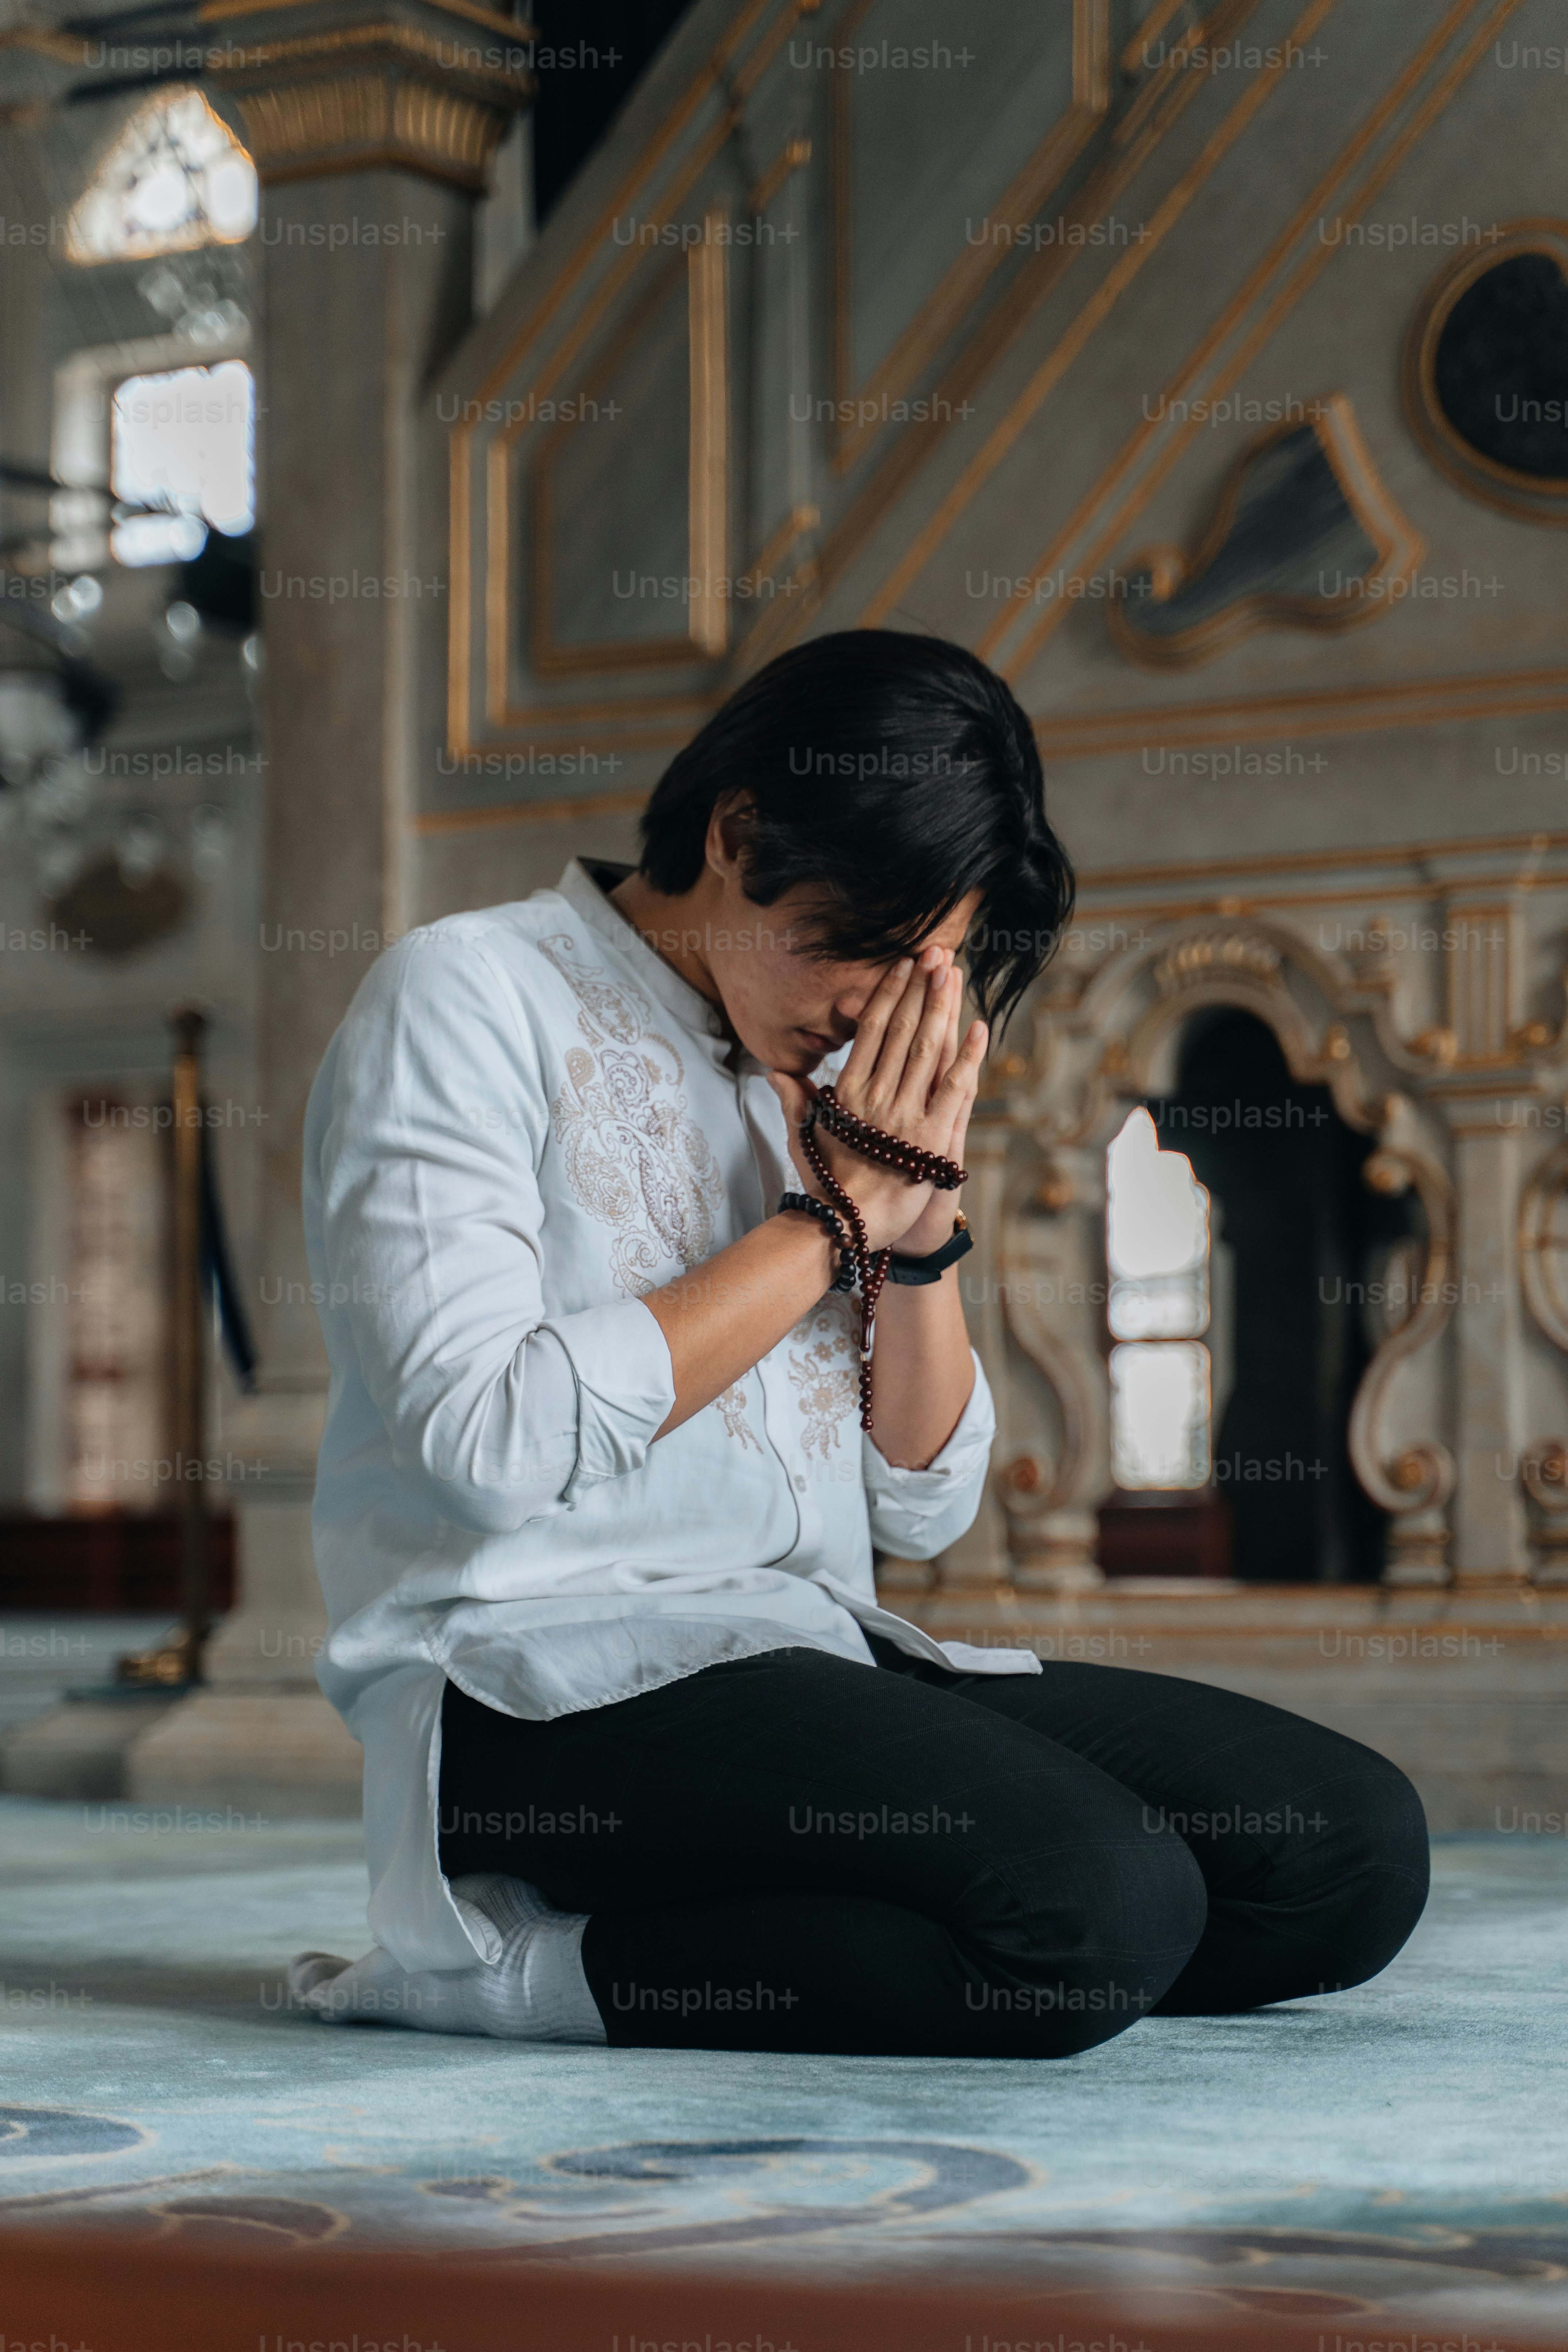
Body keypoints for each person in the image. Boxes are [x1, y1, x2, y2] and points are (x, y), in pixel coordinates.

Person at [288, 630, 1428, 2057]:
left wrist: (917, 1229)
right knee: (1094, 1900)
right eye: (863, 945)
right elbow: (485, 1445)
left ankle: (966, 1931)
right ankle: (511, 1972)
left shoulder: (833, 1078)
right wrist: (825, 1220)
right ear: (740, 831)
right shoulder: (461, 994)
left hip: (807, 1650)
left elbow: (923, 1500)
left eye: (928, 968)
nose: (873, 1006)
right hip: (526, 1689)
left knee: (1345, 1849)